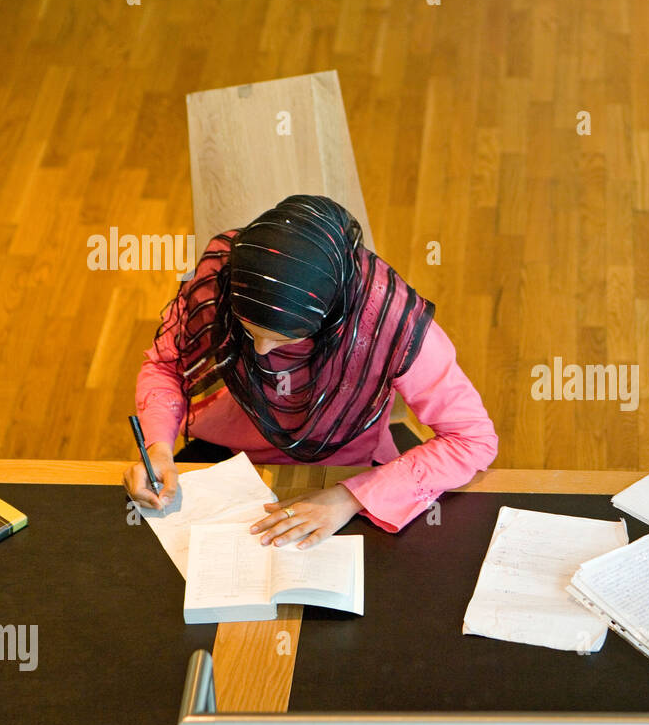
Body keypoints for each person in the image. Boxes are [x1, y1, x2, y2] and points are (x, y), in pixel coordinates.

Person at [123, 194, 498, 547]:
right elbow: (165, 364)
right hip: (235, 452)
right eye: (249, 332)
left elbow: (472, 439)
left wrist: (349, 497)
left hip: (342, 467)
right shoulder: (227, 277)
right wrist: (158, 445)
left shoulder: (390, 324)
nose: (260, 351)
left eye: (283, 339)